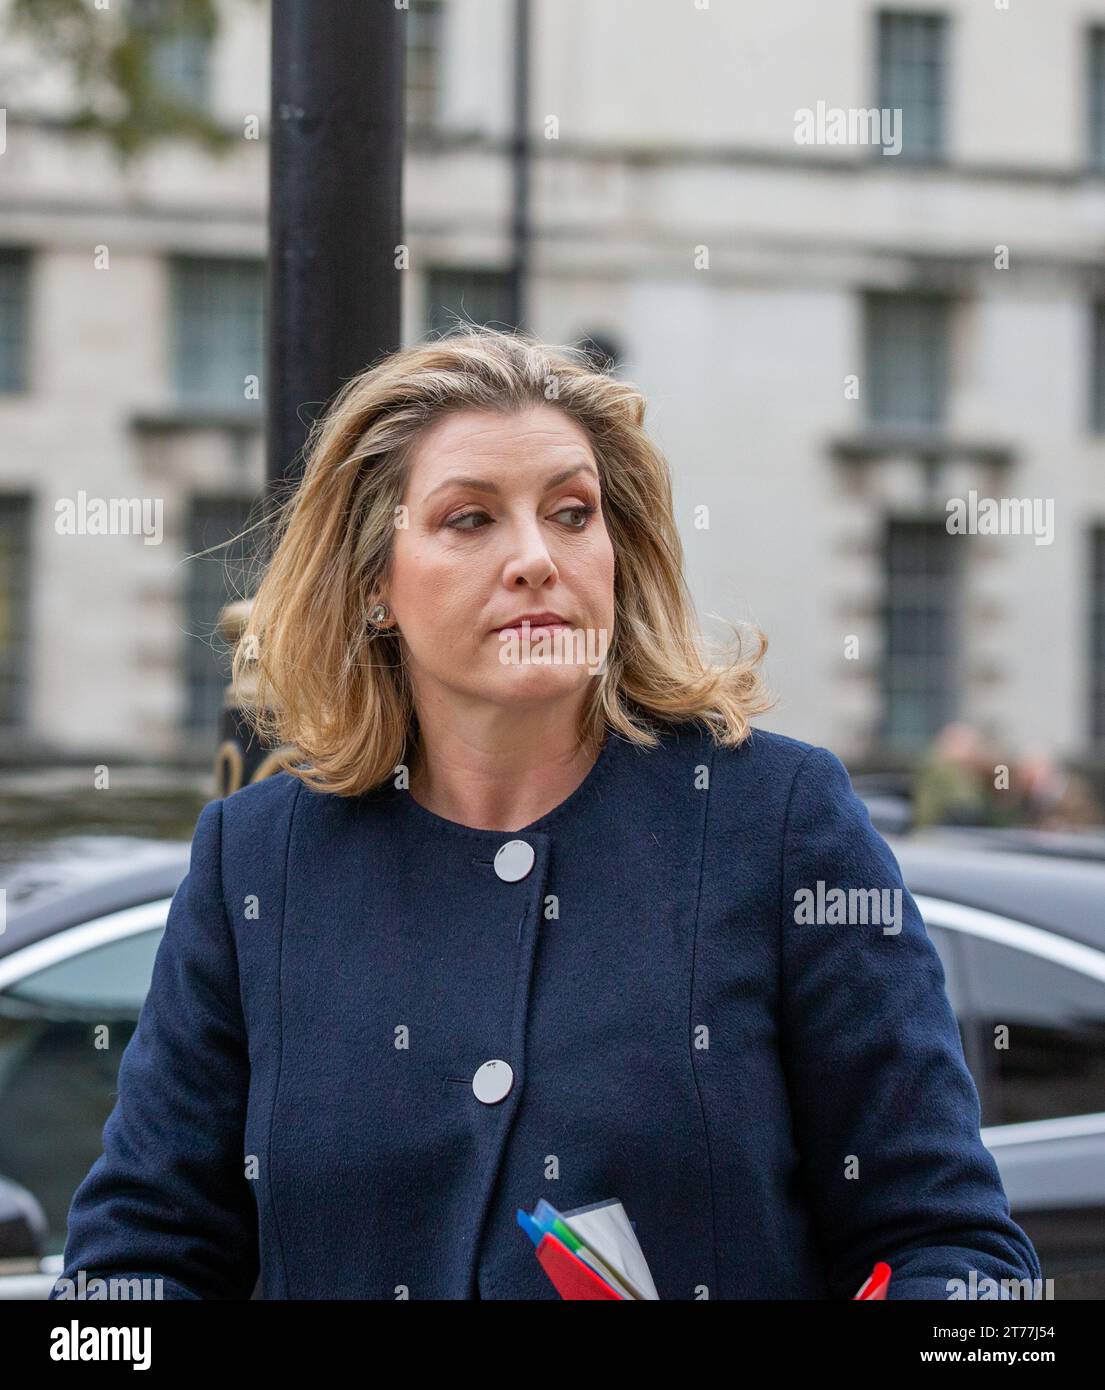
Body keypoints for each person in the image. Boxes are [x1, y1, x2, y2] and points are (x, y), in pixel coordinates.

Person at [50, 326, 1041, 1300]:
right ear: (373, 588)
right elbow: (136, 1262)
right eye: (469, 520)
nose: (535, 557)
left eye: (571, 513)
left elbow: (958, 1256)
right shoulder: (256, 859)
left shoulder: (777, 821)